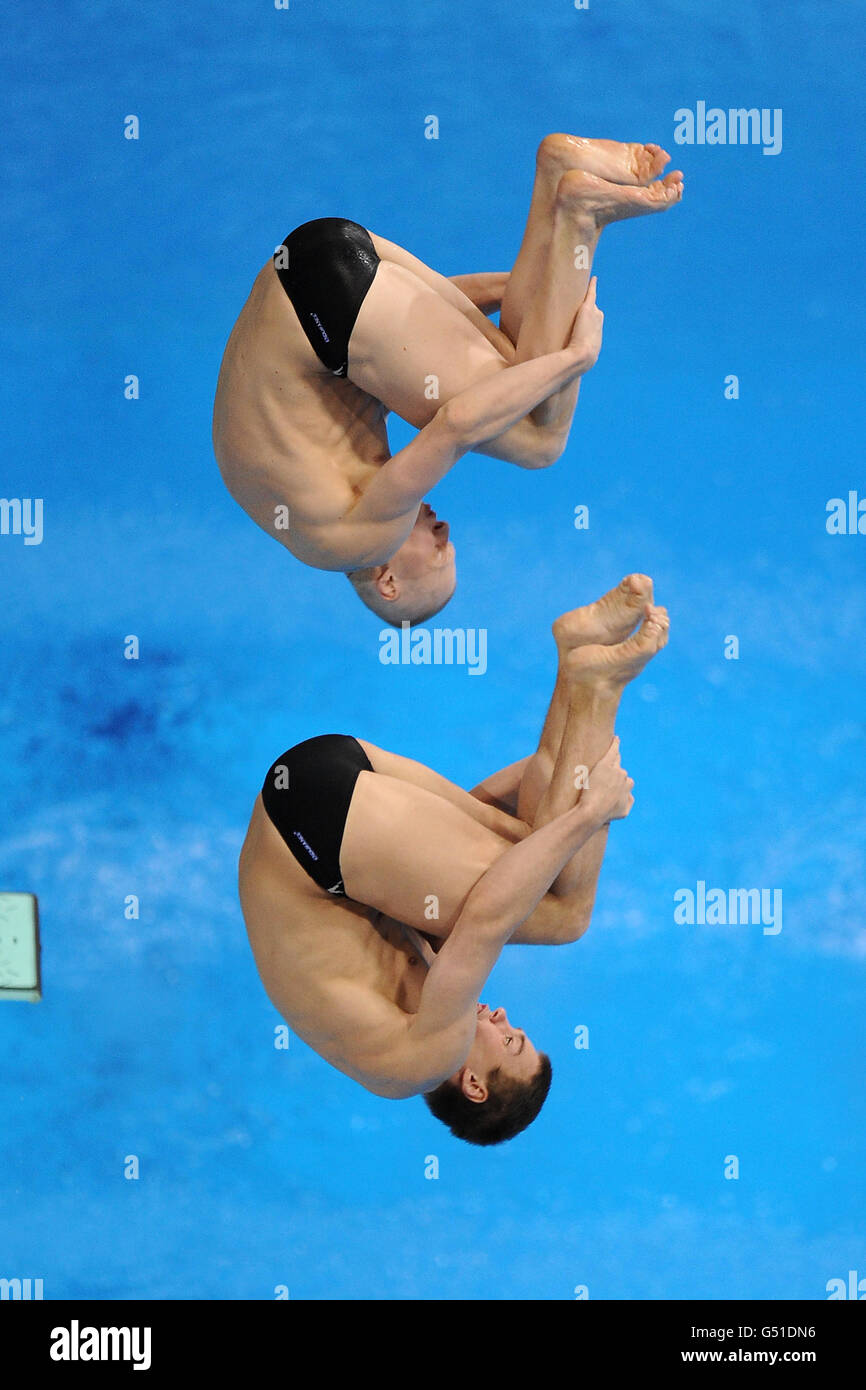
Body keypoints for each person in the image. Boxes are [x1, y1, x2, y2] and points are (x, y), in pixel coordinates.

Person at [238, 575, 670, 1144]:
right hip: (319, 794)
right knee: (533, 848)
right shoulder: (416, 999)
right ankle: (578, 662)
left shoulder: (421, 1060)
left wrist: (591, 813)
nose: (506, 1020)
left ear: (472, 1085)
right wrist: (565, 775)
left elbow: (491, 917)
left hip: (313, 829)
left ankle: (594, 685)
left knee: (566, 914)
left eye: (511, 1042)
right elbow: (487, 810)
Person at [213, 136, 683, 623]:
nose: (446, 531)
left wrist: (577, 357)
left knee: (540, 440)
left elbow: (458, 424)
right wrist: (550, 283)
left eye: (441, 554)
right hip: (316, 253)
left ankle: (581, 216)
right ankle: (558, 173)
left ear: (388, 582)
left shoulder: (358, 542)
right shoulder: (290, 495)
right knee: (515, 363)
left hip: (323, 309)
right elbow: (401, 329)